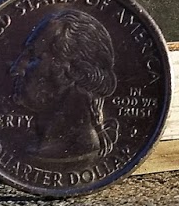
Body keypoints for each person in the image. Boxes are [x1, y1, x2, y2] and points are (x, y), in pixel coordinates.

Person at [8, 8, 119, 164]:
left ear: (72, 70)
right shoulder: (34, 147)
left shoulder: (73, 150)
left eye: (33, 57)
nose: (15, 69)